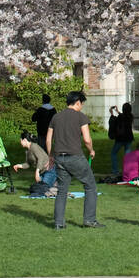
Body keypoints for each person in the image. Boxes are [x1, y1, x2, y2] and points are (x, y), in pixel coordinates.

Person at [45, 91, 104, 231]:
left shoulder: (56, 117)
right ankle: (89, 220)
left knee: (61, 191)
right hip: (75, 157)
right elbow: (87, 139)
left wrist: (50, 156)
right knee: (90, 186)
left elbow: (48, 139)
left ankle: (59, 223)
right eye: (82, 104)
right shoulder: (81, 117)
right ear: (78, 102)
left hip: (59, 157)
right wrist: (91, 150)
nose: (82, 106)